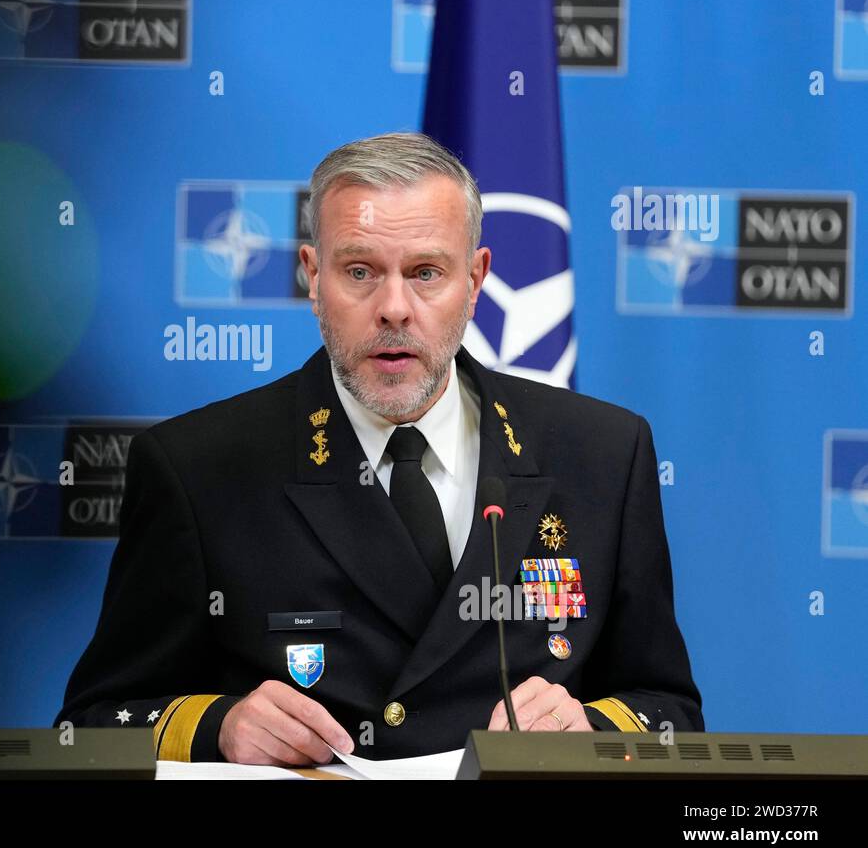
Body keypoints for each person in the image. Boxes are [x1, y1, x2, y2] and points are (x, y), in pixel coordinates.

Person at [53, 132, 704, 765]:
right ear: (312, 275)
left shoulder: (603, 455)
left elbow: (668, 709)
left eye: (427, 273)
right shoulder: (198, 468)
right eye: (360, 271)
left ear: (475, 282)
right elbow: (91, 724)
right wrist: (220, 725)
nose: (394, 308)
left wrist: (587, 725)